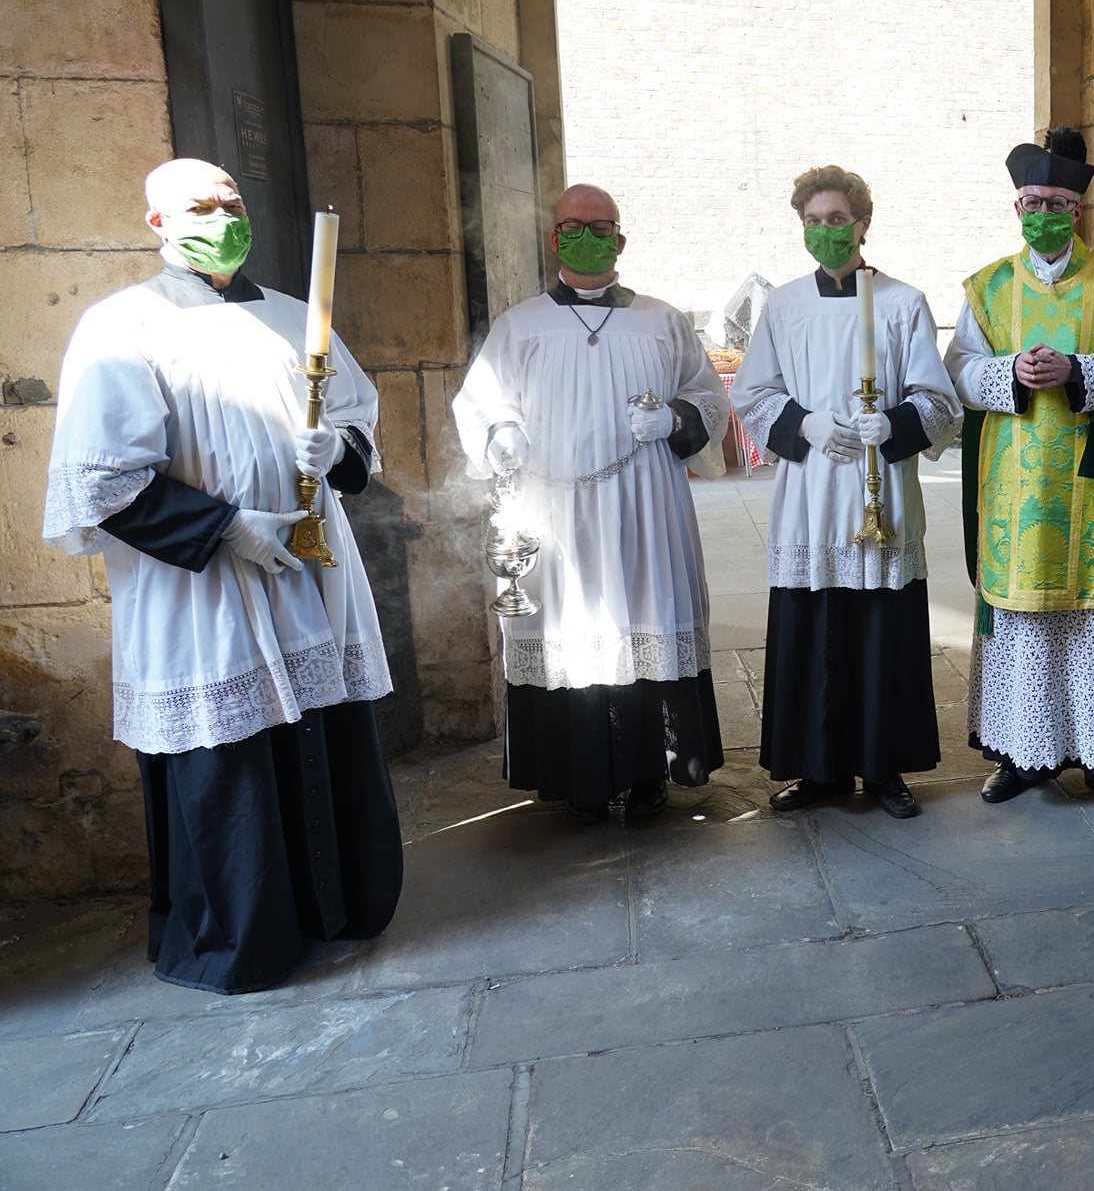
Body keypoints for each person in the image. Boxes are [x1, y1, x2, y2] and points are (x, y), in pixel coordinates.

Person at [42, 157, 401, 993]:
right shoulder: (121, 325)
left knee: (321, 729)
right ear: (157, 224)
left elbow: (355, 418)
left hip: (309, 569)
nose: (222, 216)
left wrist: (338, 449)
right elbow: (103, 479)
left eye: (231, 201)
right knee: (232, 753)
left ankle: (338, 906)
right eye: (200, 206)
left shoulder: (291, 314)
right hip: (205, 585)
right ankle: (244, 935)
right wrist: (229, 528)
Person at [451, 183, 729, 822]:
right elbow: (480, 401)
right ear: (554, 238)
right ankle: (575, 773)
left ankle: (649, 774)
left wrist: (676, 420)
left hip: (646, 505)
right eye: (573, 226)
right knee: (567, 629)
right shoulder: (520, 325)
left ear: (621, 239)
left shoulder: (662, 320)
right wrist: (501, 433)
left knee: (644, 619)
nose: (587, 236)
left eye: (601, 226)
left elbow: (709, 399)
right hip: (556, 511)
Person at [945, 127, 1094, 815]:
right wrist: (1006, 370)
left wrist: (1082, 370)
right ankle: (1021, 753)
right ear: (1016, 209)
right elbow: (958, 369)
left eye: (1057, 201)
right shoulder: (989, 286)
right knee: (1026, 622)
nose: (1043, 211)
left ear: (1078, 210)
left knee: (1091, 620)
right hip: (1018, 483)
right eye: (1031, 200)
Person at [729, 166, 960, 818]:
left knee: (881, 630)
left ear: (862, 222)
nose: (826, 231)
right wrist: (806, 423)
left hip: (877, 488)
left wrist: (894, 424)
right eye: (813, 221)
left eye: (837, 219)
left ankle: (883, 767)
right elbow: (752, 392)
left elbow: (939, 400)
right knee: (814, 628)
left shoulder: (903, 302)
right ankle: (816, 768)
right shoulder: (784, 306)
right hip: (809, 492)